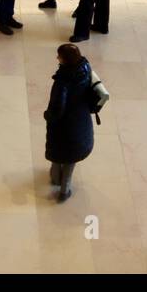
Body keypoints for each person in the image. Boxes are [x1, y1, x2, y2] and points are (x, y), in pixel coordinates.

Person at [44, 44, 96, 202]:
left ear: (65, 59)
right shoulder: (85, 67)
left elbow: (57, 107)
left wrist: (48, 116)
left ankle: (57, 182)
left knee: (58, 155)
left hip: (64, 126)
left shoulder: (63, 81)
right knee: (70, 159)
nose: (57, 58)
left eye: (59, 55)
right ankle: (64, 189)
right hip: (81, 121)